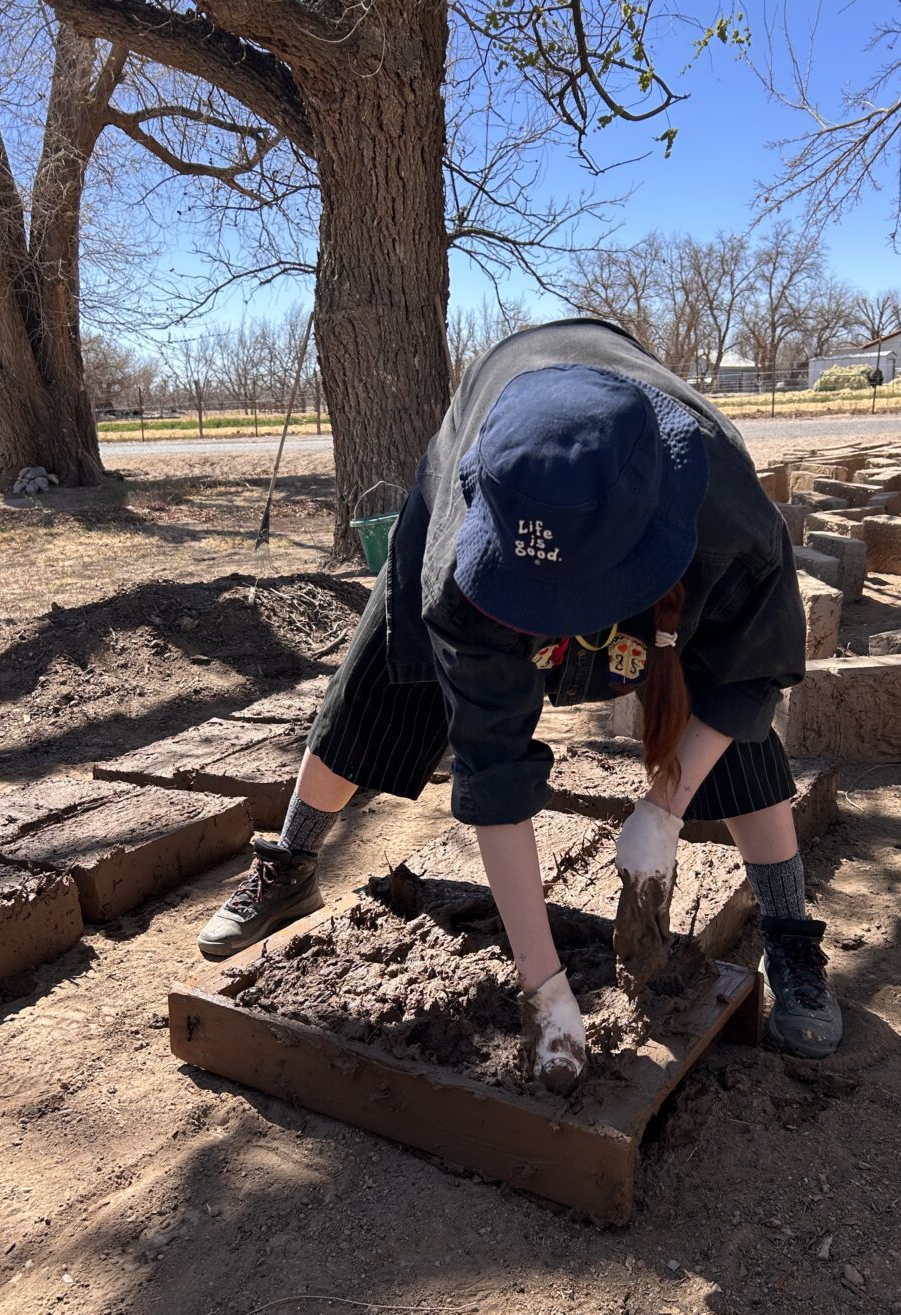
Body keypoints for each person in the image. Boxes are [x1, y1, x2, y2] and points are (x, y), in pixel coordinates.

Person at [197, 319, 842, 1090]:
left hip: (639, 510)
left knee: (731, 728)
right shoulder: (463, 547)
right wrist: (544, 986)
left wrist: (665, 808)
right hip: (494, 462)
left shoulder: (724, 518)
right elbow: (493, 766)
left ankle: (789, 934)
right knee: (387, 676)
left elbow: (749, 675)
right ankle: (292, 860)